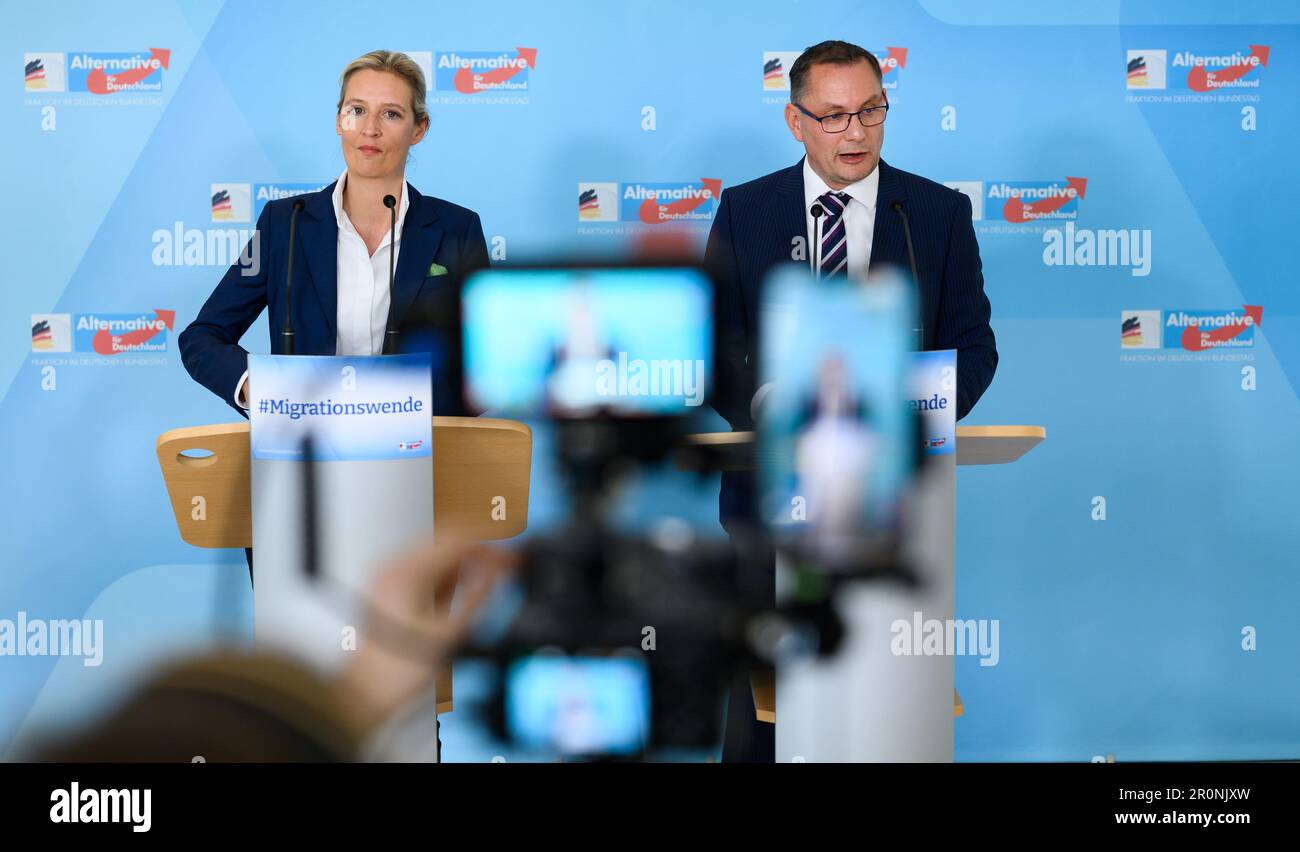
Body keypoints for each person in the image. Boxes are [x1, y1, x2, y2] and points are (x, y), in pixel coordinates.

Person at [705, 40, 998, 762]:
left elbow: (974, 345)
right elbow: (712, 349)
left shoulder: (933, 213)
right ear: (795, 120)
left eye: (871, 111)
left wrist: (913, 418)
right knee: (766, 710)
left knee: (884, 711)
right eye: (833, 117)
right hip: (769, 503)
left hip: (897, 507)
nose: (856, 133)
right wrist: (773, 407)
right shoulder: (747, 211)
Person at [179, 49, 490, 418]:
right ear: (339, 121)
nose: (369, 128)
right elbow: (202, 337)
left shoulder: (457, 228)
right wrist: (260, 388)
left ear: (419, 128)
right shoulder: (284, 223)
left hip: (422, 455)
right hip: (305, 449)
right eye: (356, 110)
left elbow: (486, 363)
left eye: (391, 113)